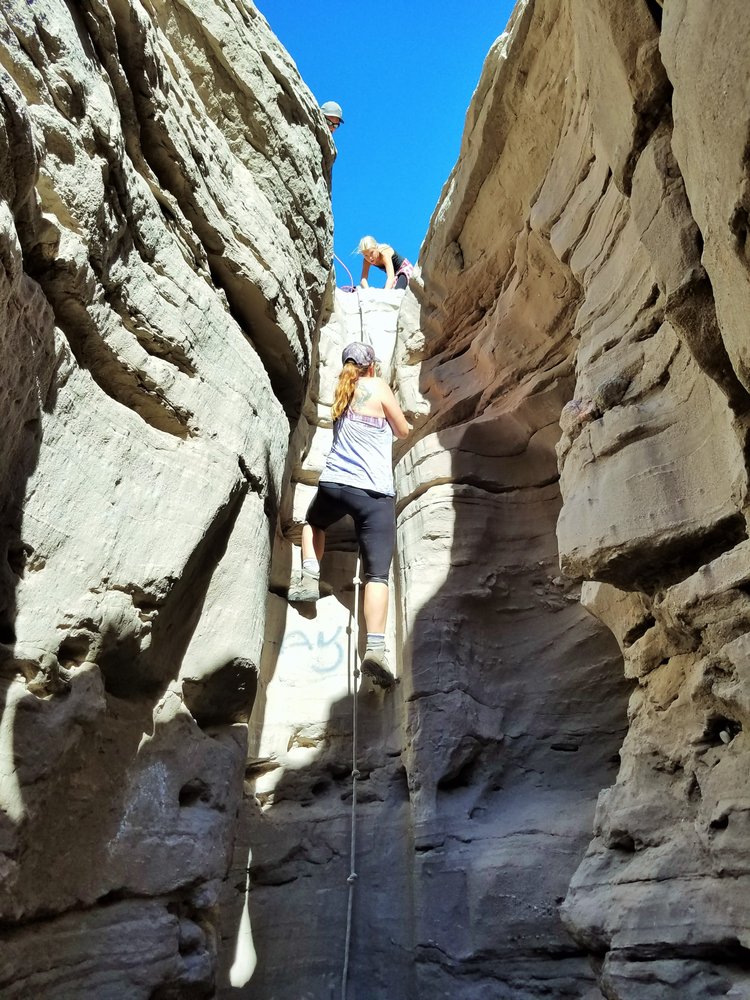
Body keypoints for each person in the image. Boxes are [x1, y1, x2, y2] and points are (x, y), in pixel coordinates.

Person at [288, 341, 410, 688]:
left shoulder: (341, 393)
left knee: (315, 522)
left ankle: (309, 576)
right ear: (371, 366)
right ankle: (375, 650)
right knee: (377, 576)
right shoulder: (377, 386)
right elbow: (402, 430)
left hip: (336, 485)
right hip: (374, 494)